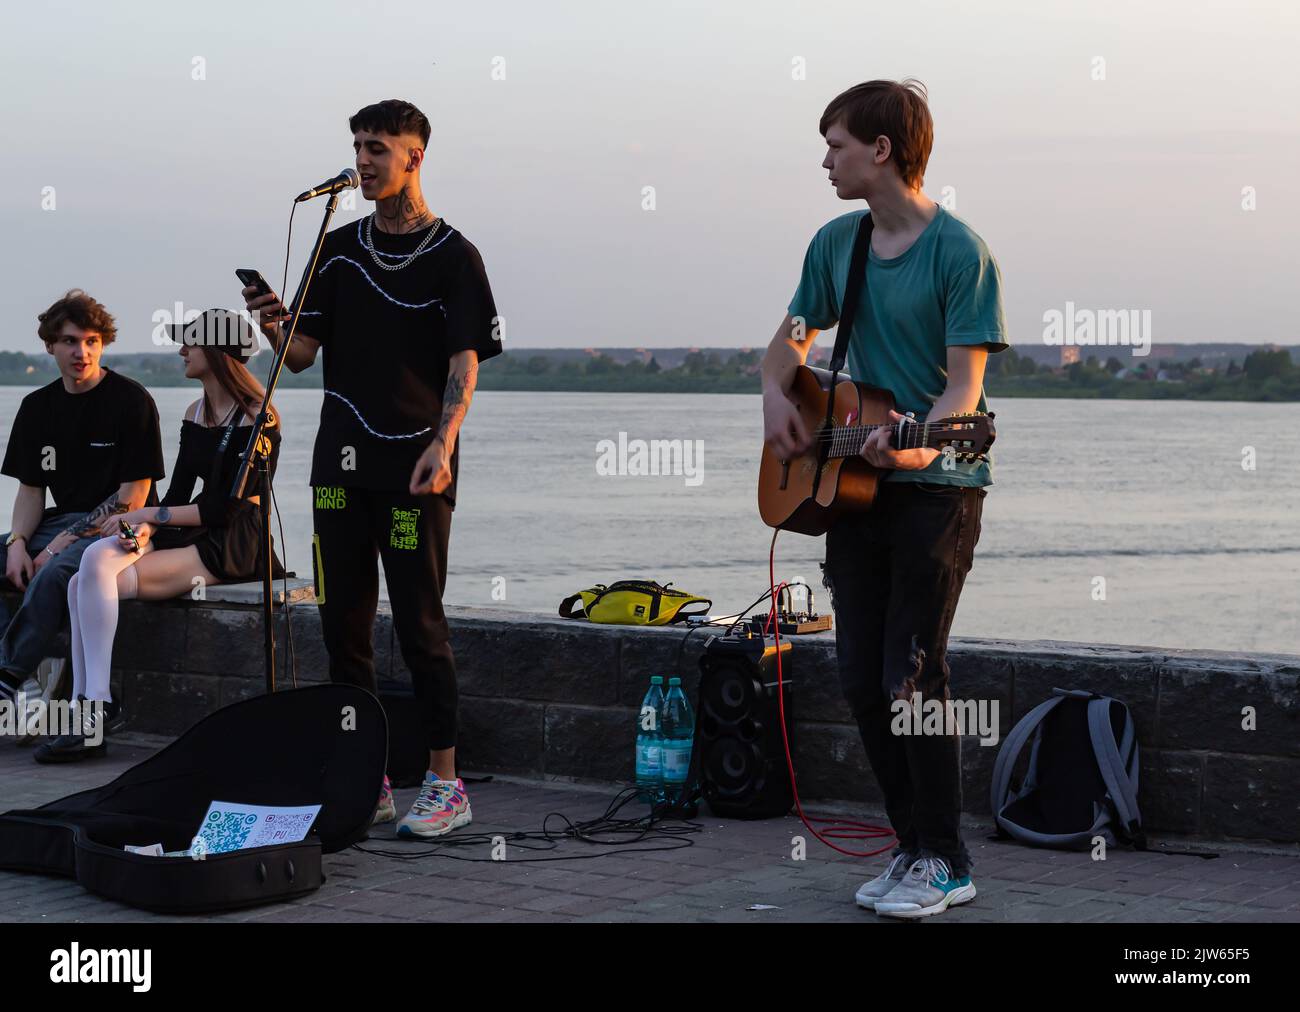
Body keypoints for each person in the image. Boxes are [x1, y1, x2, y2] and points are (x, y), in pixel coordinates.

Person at [760, 79, 1009, 919]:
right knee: (862, 680)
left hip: (938, 488)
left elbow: (962, 399)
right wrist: (776, 397)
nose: (824, 160)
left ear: (882, 150)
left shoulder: (961, 254)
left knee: (912, 676)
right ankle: (911, 848)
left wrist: (916, 441)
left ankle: (948, 859)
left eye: (835, 144)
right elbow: (787, 345)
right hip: (854, 495)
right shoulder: (838, 243)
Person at [242, 99, 501, 837]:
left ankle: (446, 784)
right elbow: (299, 358)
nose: (362, 160)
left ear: (414, 157)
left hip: (413, 469)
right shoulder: (340, 246)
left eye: (377, 148)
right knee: (342, 628)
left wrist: (443, 443)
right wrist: (272, 317)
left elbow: (464, 362)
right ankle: (370, 779)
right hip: (339, 471)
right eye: (357, 145)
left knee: (420, 623)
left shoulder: (455, 254)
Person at [34, 309, 282, 762]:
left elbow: (224, 507)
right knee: (85, 574)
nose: (182, 350)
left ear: (217, 351)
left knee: (89, 575)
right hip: (191, 533)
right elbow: (181, 492)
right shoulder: (196, 410)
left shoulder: (258, 417)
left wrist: (149, 511)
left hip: (233, 542)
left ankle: (91, 712)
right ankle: (88, 709)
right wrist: (144, 527)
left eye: (190, 342)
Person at [1, 291, 165, 713]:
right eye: (71, 341)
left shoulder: (131, 401)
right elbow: (31, 490)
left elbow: (132, 496)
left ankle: (7, 676)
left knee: (55, 574)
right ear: (51, 345)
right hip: (59, 522)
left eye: (92, 341)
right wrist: (18, 543)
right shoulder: (36, 407)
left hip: (123, 529)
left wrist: (54, 547)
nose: (82, 352)